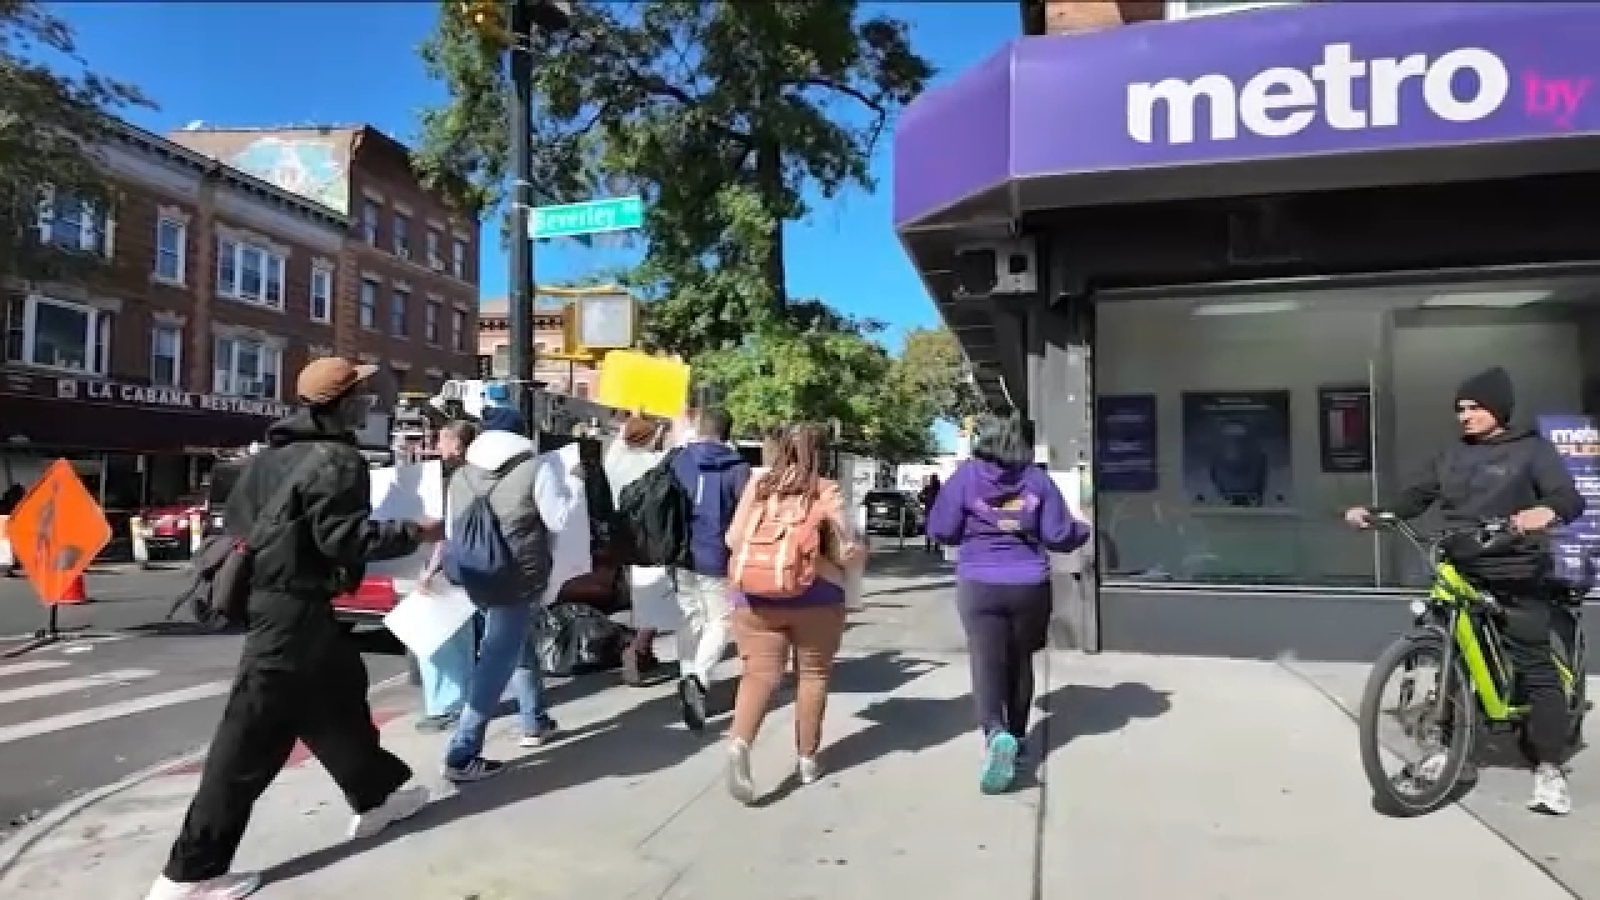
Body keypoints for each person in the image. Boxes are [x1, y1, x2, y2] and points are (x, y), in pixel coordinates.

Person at [147, 357, 442, 900]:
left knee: (339, 701)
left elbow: (244, 529)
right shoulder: (338, 459)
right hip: (293, 614)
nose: (370, 403)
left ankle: (378, 796)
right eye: (363, 395)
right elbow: (344, 540)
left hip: (279, 605)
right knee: (248, 741)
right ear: (344, 404)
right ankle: (191, 874)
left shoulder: (270, 457)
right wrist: (417, 531)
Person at [1343, 366, 1584, 815]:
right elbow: (1415, 498)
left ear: (1498, 409)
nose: (1465, 415)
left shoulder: (1532, 451)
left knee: (1534, 665)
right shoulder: (1450, 455)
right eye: (1460, 408)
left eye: (1474, 407)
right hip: (1459, 566)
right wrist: (1377, 513)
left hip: (1514, 570)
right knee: (1450, 662)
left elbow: (1569, 497)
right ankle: (1448, 747)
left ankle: (1550, 768)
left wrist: (1544, 512)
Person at [927, 412, 1089, 795]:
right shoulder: (1036, 479)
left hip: (979, 583)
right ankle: (1018, 736)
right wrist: (1082, 527)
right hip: (1029, 584)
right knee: (1020, 661)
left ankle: (995, 734)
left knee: (986, 661)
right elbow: (1058, 534)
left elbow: (942, 530)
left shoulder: (966, 478)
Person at [724, 423, 863, 805]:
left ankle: (739, 742)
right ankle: (806, 759)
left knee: (758, 675)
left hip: (754, 597)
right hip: (817, 598)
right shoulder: (827, 489)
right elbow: (845, 548)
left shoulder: (758, 486)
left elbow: (733, 539)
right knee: (813, 676)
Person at [441, 405, 570, 782]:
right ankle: (462, 753)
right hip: (519, 575)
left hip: (476, 574)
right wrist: (573, 485)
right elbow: (557, 519)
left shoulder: (461, 474)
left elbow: (452, 530)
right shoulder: (536, 467)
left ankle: (534, 719)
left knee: (511, 642)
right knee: (497, 658)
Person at [669, 406, 752, 732]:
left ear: (700, 428)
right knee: (720, 620)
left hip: (679, 552)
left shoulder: (678, 460)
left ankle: (688, 679)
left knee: (689, 618)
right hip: (718, 553)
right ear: (728, 433)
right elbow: (745, 514)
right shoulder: (739, 468)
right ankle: (698, 679)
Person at [415, 420, 481, 733]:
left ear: (457, 445)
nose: (436, 445)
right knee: (456, 636)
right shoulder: (472, 474)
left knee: (442, 639)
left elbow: (445, 530)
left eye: (442, 440)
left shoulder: (449, 478)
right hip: (464, 564)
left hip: (447, 567)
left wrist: (430, 570)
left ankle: (448, 704)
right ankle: (456, 700)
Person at [603, 414, 676, 685]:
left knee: (643, 597)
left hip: (625, 535)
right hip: (653, 537)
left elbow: (621, 441)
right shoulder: (652, 463)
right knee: (656, 597)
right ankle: (637, 651)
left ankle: (644, 652)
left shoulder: (614, 460)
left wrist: (635, 420)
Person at [919, 473, 942, 554]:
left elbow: (920, 496)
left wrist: (924, 500)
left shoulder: (929, 488)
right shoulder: (940, 489)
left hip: (930, 512)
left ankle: (929, 547)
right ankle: (935, 546)